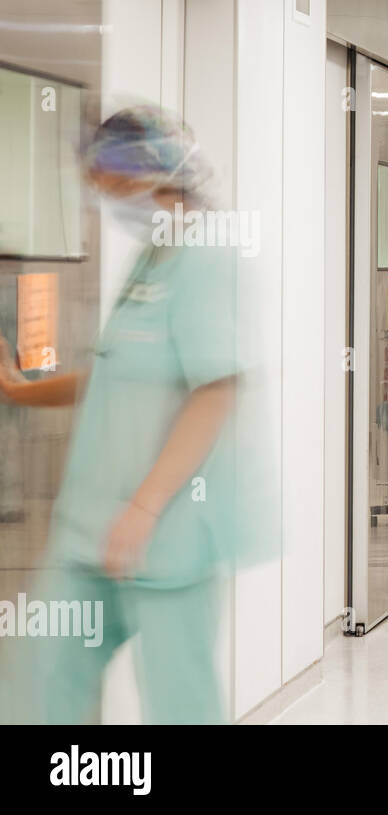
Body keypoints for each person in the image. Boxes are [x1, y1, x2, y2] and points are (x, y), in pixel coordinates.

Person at [0, 106, 247, 723]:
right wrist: (21, 391)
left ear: (147, 173)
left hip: (164, 539)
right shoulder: (150, 260)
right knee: (42, 681)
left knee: (178, 700)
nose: (101, 195)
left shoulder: (204, 259)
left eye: (106, 180)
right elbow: (114, 375)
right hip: (90, 531)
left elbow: (215, 388)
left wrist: (142, 510)